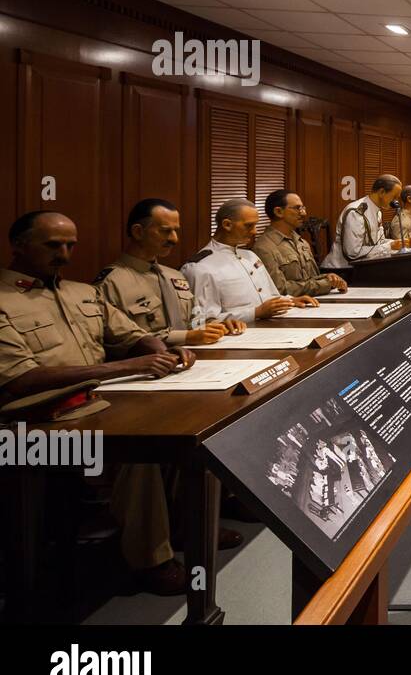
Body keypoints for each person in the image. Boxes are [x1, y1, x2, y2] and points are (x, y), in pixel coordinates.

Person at [0, 211, 201, 595]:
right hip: (32, 428)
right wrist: (125, 366)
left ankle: (181, 528)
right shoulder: (4, 300)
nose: (64, 254)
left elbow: (133, 334)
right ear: (19, 245)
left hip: (100, 406)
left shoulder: (81, 292)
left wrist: (161, 351)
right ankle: (152, 561)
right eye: (52, 245)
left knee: (185, 425)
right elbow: (20, 379)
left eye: (70, 245)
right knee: (140, 452)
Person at [97, 198, 246, 345]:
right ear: (138, 232)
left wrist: (217, 325)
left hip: (196, 356)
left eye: (176, 231)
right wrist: (185, 337)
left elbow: (195, 321)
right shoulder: (111, 283)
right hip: (152, 359)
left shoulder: (174, 276)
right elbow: (118, 341)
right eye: (165, 231)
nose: (174, 239)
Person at [184, 199, 316, 323]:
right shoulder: (201, 267)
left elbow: (269, 296)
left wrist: (290, 301)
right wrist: (255, 313)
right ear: (227, 225)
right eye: (248, 226)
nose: (254, 231)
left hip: (270, 326)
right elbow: (200, 322)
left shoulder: (250, 256)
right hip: (236, 334)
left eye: (255, 225)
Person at [254, 190, 347, 298]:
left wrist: (328, 278)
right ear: (278, 212)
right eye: (297, 208)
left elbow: (309, 281)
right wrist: (325, 284)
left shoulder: (302, 243)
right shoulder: (264, 248)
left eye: (303, 208)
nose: (304, 213)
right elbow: (280, 289)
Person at [321, 175, 411, 269]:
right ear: (381, 192)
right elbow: (353, 253)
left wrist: (398, 243)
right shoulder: (356, 212)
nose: (396, 201)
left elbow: (379, 242)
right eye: (394, 197)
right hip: (341, 269)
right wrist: (390, 246)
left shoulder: (378, 212)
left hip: (362, 266)